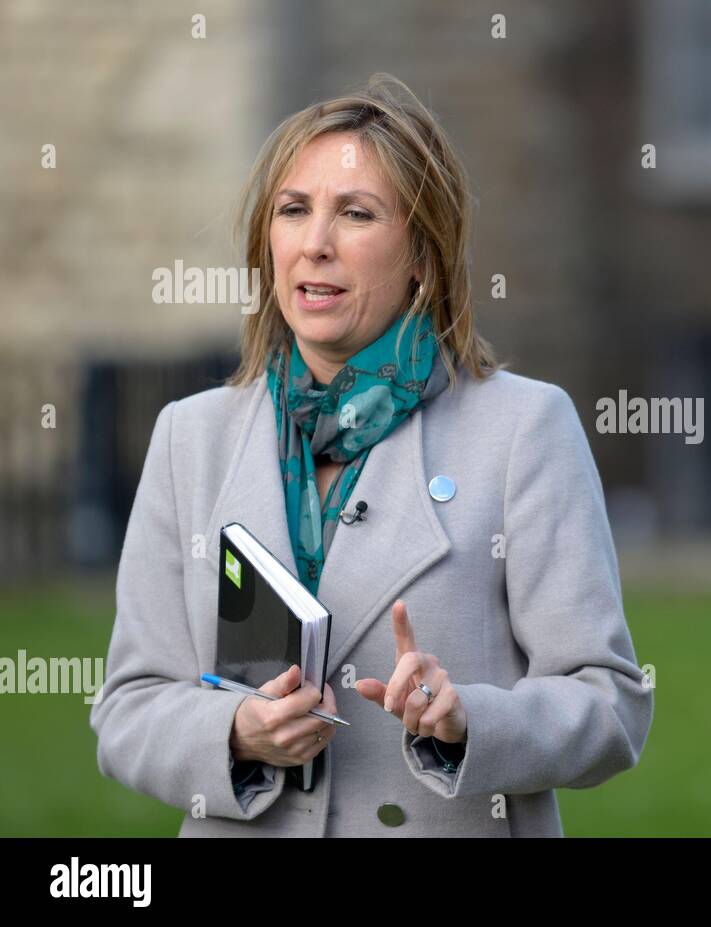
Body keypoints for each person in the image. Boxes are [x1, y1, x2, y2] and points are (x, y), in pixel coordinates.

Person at [90, 73, 652, 836]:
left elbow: (611, 705)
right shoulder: (191, 437)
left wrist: (467, 722)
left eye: (356, 214)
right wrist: (237, 734)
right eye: (294, 211)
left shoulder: (525, 427)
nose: (316, 243)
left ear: (423, 255)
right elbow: (127, 709)